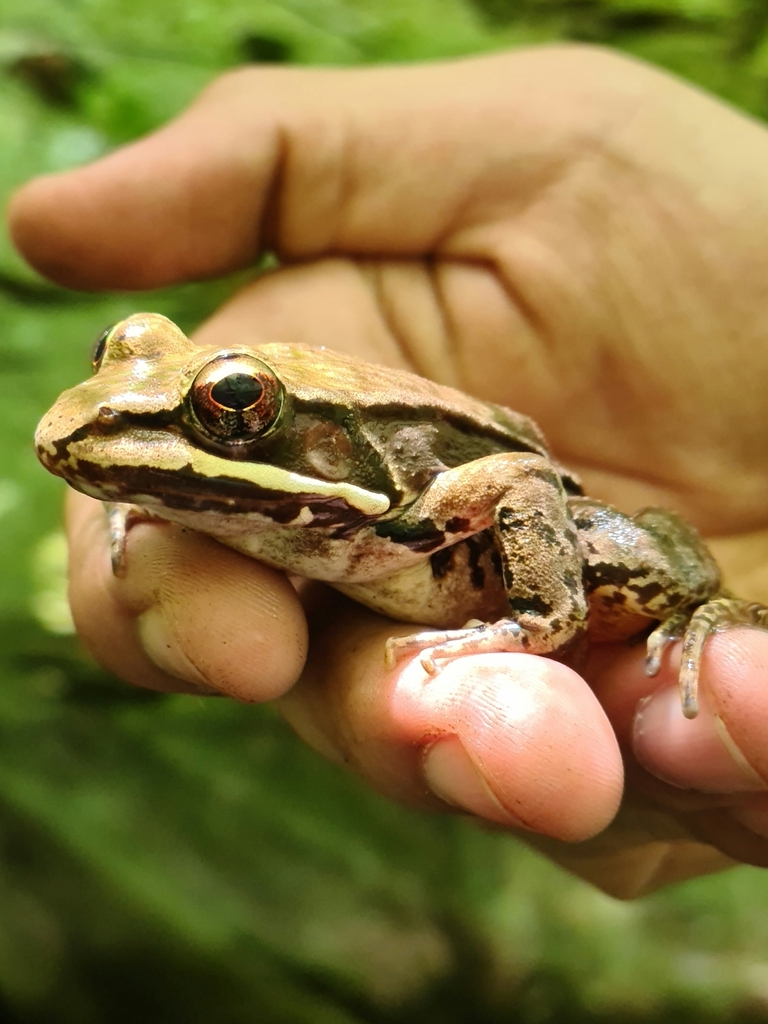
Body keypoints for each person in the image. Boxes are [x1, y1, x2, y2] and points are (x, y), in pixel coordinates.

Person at [11, 44, 768, 898]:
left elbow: (518, 478)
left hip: (528, 520)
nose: (113, 411)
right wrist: (149, 488)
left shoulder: (415, 514)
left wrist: (538, 621)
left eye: (226, 410)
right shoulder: (211, 479)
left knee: (658, 575)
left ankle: (709, 608)